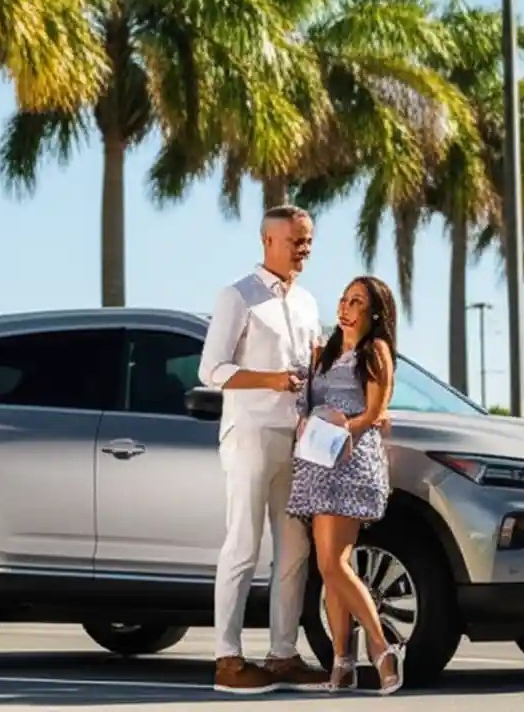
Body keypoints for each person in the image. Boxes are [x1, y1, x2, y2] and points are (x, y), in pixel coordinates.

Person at [197, 205, 332, 694]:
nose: (305, 249)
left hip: (298, 440)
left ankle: (283, 655)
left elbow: (314, 369)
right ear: (268, 241)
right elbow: (211, 370)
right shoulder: (238, 295)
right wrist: (271, 380)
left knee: (295, 549)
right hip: (250, 435)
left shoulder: (308, 302)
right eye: (297, 240)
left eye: (309, 240)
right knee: (243, 544)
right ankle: (227, 660)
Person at [285, 275, 404, 695]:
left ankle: (382, 648)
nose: (345, 308)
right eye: (343, 299)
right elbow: (311, 401)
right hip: (319, 461)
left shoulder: (376, 351)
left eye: (356, 302)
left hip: (350, 460)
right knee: (330, 567)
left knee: (334, 564)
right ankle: (342, 664)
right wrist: (308, 422)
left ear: (375, 313)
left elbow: (373, 413)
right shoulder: (326, 351)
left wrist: (336, 430)